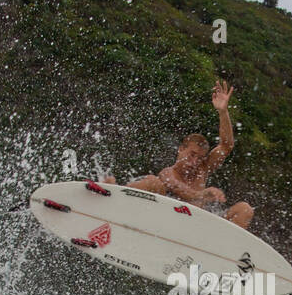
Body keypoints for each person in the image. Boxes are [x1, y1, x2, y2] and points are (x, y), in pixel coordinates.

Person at [104, 80, 253, 229]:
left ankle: (225, 249)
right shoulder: (168, 173)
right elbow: (181, 190)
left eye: (200, 158)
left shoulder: (204, 168)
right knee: (152, 182)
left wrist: (223, 112)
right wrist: (202, 195)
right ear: (181, 150)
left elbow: (226, 146)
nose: (194, 162)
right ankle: (114, 193)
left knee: (244, 209)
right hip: (164, 225)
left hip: (197, 230)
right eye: (191, 155)